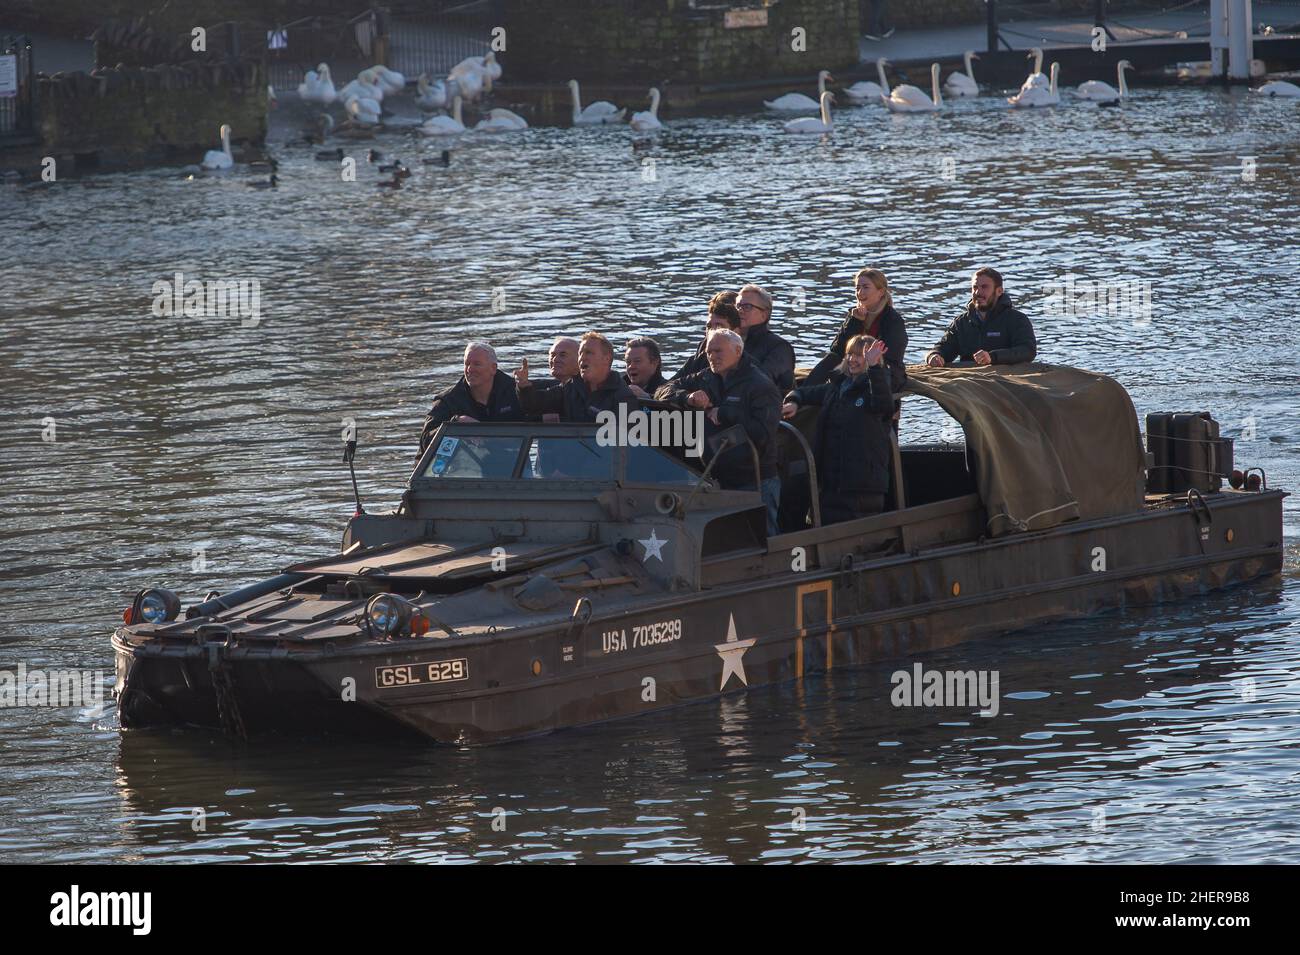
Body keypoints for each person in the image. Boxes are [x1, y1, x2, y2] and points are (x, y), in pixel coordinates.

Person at [661, 328, 782, 535]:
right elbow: (663, 390)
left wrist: (726, 414)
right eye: (708, 352)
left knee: (762, 536)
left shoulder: (760, 385)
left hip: (755, 478)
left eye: (718, 352)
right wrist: (687, 398)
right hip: (715, 476)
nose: (712, 357)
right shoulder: (707, 378)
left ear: (737, 351)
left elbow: (764, 433)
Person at [783, 334, 894, 524]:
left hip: (861, 484)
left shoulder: (874, 387)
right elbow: (803, 392)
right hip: (832, 480)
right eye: (850, 354)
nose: (852, 360)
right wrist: (793, 401)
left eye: (859, 356)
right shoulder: (836, 388)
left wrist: (874, 367)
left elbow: (884, 404)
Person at [804, 268, 908, 426]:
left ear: (880, 292)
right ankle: (804, 394)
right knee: (831, 359)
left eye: (866, 287)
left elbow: (890, 356)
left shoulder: (893, 320)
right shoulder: (854, 314)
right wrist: (854, 322)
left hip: (883, 371)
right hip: (853, 366)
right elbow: (837, 350)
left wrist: (865, 362)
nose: (860, 292)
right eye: (857, 288)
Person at [418, 341, 523, 454]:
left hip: (511, 464)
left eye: (476, 364)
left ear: (493, 368)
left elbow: (536, 414)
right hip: (462, 467)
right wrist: (455, 424)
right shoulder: (448, 400)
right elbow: (425, 441)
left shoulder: (516, 392)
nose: (469, 369)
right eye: (467, 364)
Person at [515, 331, 640, 421]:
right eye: (581, 353)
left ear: (606, 359)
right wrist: (524, 386)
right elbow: (535, 405)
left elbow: (624, 444)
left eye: (589, 353)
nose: (583, 358)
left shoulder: (622, 396)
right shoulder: (571, 387)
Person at [926, 267, 1037, 367]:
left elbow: (1028, 351)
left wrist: (992, 357)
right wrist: (934, 355)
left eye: (984, 287)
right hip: (967, 380)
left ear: (999, 291)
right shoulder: (961, 322)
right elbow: (945, 347)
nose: (978, 292)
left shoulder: (1016, 319)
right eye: (975, 287)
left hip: (1005, 378)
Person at [667, 291, 742, 385]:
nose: (713, 331)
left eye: (719, 326)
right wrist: (686, 397)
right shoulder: (700, 357)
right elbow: (666, 387)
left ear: (735, 332)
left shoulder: (748, 365)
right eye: (709, 326)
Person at [735, 284, 795, 393]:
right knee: (695, 410)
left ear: (764, 314)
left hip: (762, 406)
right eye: (738, 306)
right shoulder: (728, 341)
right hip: (725, 404)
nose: (740, 311)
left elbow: (762, 380)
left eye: (747, 307)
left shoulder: (779, 347)